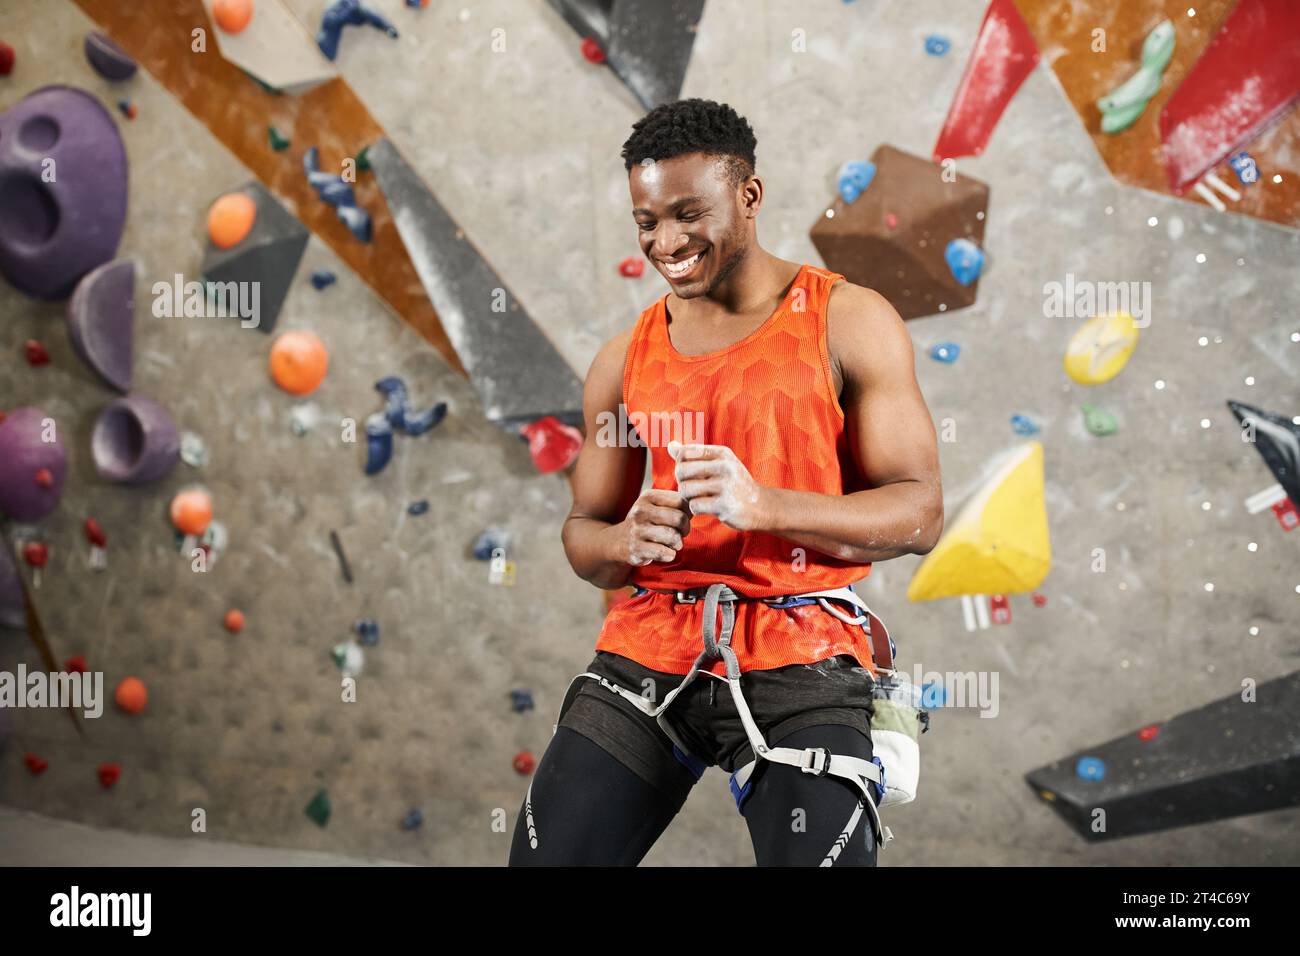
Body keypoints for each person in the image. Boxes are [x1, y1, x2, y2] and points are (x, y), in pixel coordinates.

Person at [509, 98, 943, 867]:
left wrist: (763, 505)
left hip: (802, 649)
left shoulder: (848, 320)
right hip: (652, 645)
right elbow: (584, 535)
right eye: (647, 222)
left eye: (688, 213)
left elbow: (920, 513)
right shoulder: (623, 359)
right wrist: (621, 539)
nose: (666, 242)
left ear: (749, 196)